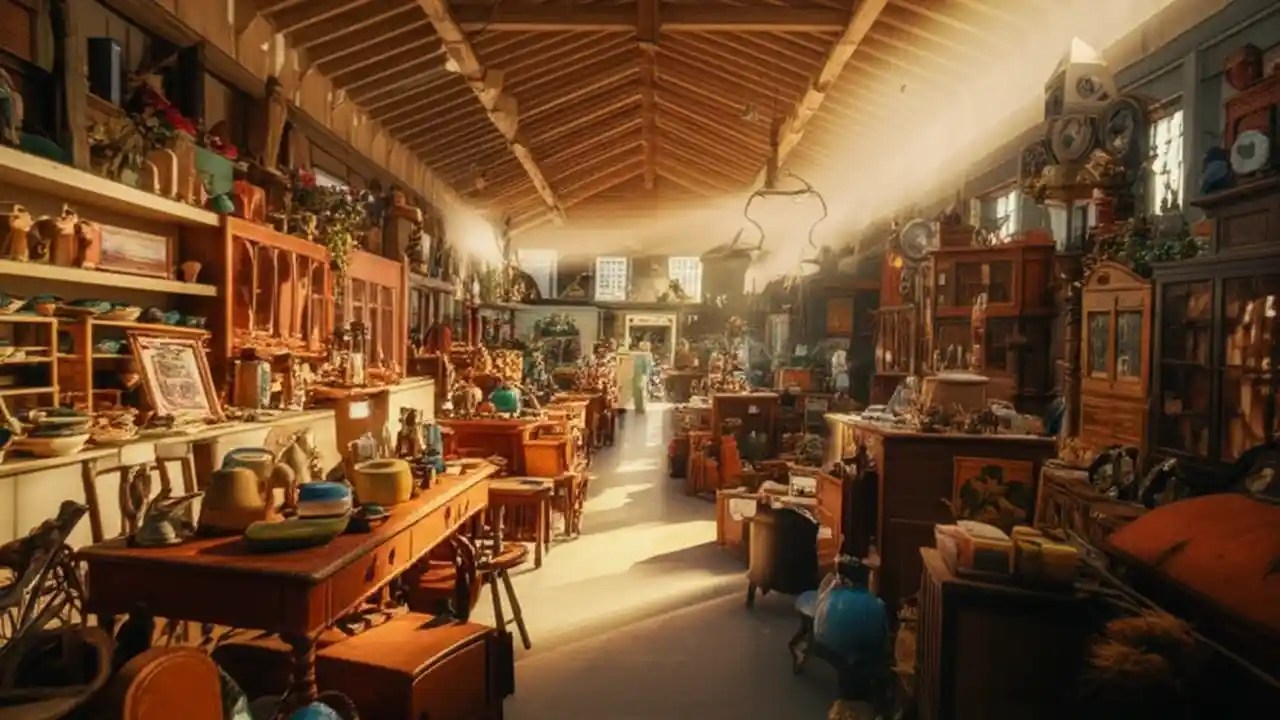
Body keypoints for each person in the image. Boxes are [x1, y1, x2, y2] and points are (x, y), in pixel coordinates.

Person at [632, 341, 653, 414]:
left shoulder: (647, 355)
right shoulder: (639, 355)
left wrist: (646, 376)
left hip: (642, 375)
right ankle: (638, 407)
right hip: (637, 375)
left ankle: (641, 407)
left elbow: (648, 367)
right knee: (637, 392)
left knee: (642, 391)